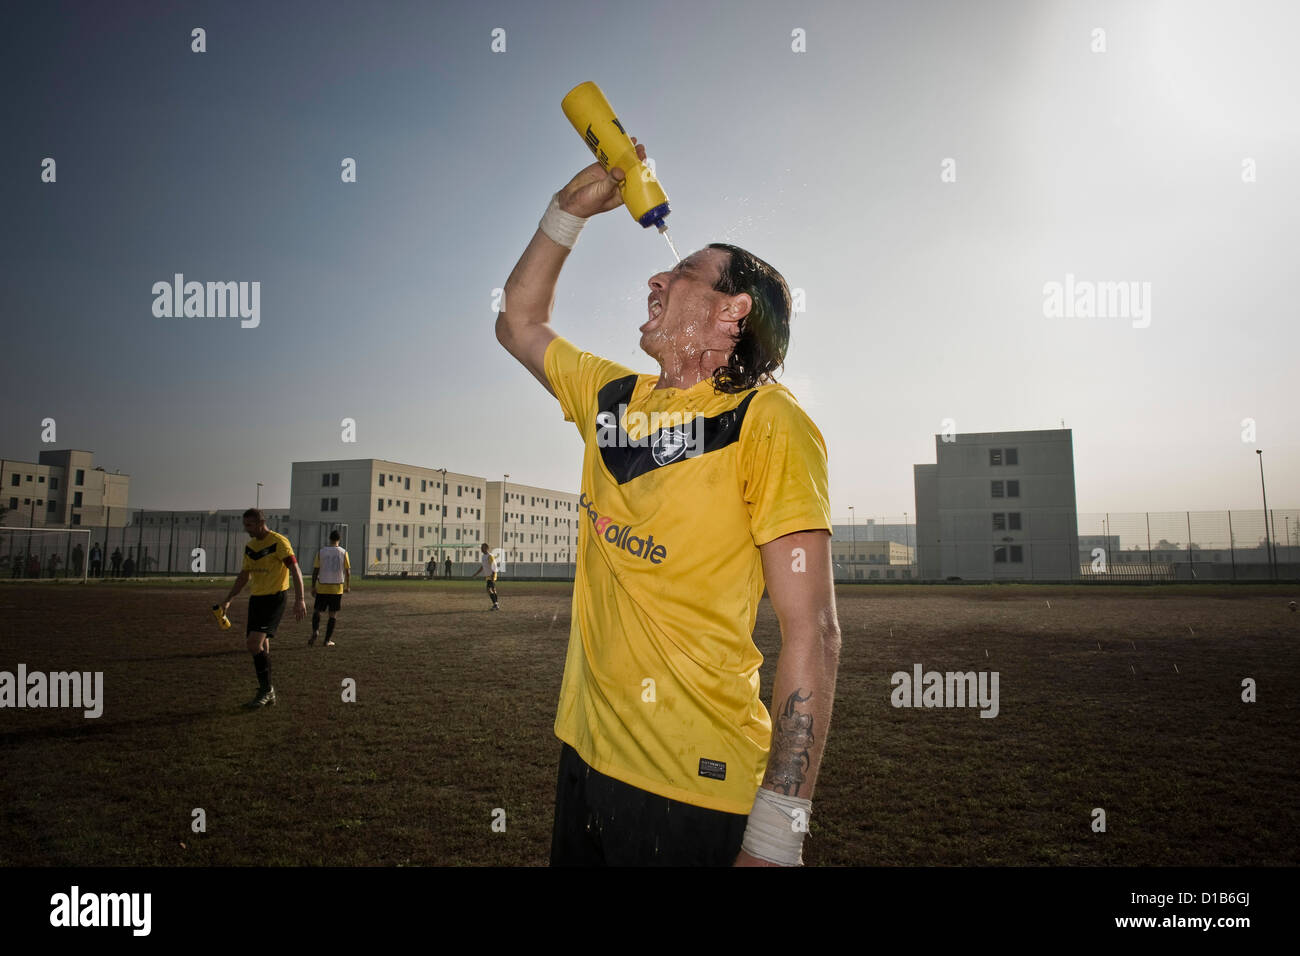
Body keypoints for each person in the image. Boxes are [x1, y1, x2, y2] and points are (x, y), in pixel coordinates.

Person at [495, 138, 840, 867]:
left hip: (693, 787)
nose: (656, 277)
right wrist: (565, 214)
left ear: (730, 313)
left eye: (683, 273)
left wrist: (780, 832)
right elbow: (518, 322)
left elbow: (813, 633)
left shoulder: (766, 421)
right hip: (584, 758)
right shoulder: (613, 397)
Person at [220, 508, 306, 708]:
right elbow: (244, 575)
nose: (246, 529)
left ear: (260, 523)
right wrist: (229, 599)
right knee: (262, 645)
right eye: (245, 525)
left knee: (253, 644)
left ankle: (266, 690)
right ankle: (269, 691)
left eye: (249, 525)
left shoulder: (279, 542)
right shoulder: (250, 546)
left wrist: (300, 599)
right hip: (256, 599)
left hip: (275, 598)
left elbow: (295, 569)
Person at [310, 530, 350, 646]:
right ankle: (327, 640)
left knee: (317, 610)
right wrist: (347, 586)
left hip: (322, 586)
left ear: (329, 538)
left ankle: (315, 631)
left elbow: (315, 570)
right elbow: (348, 572)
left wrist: (313, 586)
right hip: (336, 588)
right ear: (339, 539)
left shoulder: (321, 552)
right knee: (332, 614)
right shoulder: (343, 552)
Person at [471, 542, 499, 610]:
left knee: (488, 589)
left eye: (482, 547)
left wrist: (493, 575)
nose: (481, 549)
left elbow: (494, 566)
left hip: (492, 574)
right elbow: (483, 566)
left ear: (486, 548)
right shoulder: (483, 556)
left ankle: (495, 604)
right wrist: (476, 573)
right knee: (493, 589)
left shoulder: (490, 556)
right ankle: (496, 604)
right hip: (488, 575)